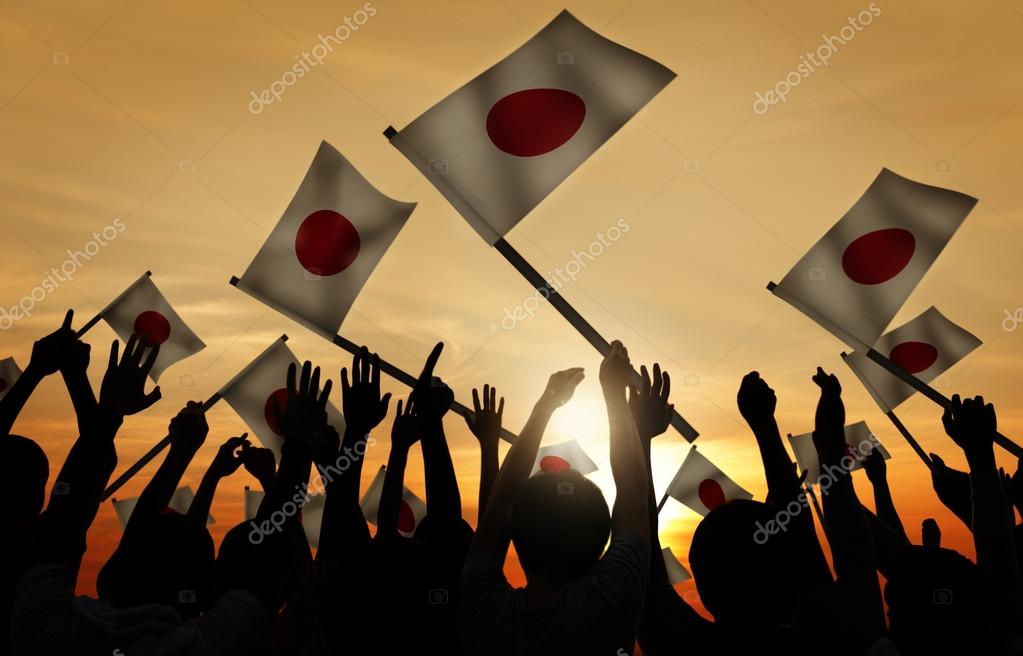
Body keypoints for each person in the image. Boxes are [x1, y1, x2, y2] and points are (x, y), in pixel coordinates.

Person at [459, 340, 650, 655]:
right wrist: (615, 392)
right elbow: (633, 487)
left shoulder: (485, 610)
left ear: (516, 530)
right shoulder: (613, 600)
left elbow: (499, 504)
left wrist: (545, 405)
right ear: (601, 538)